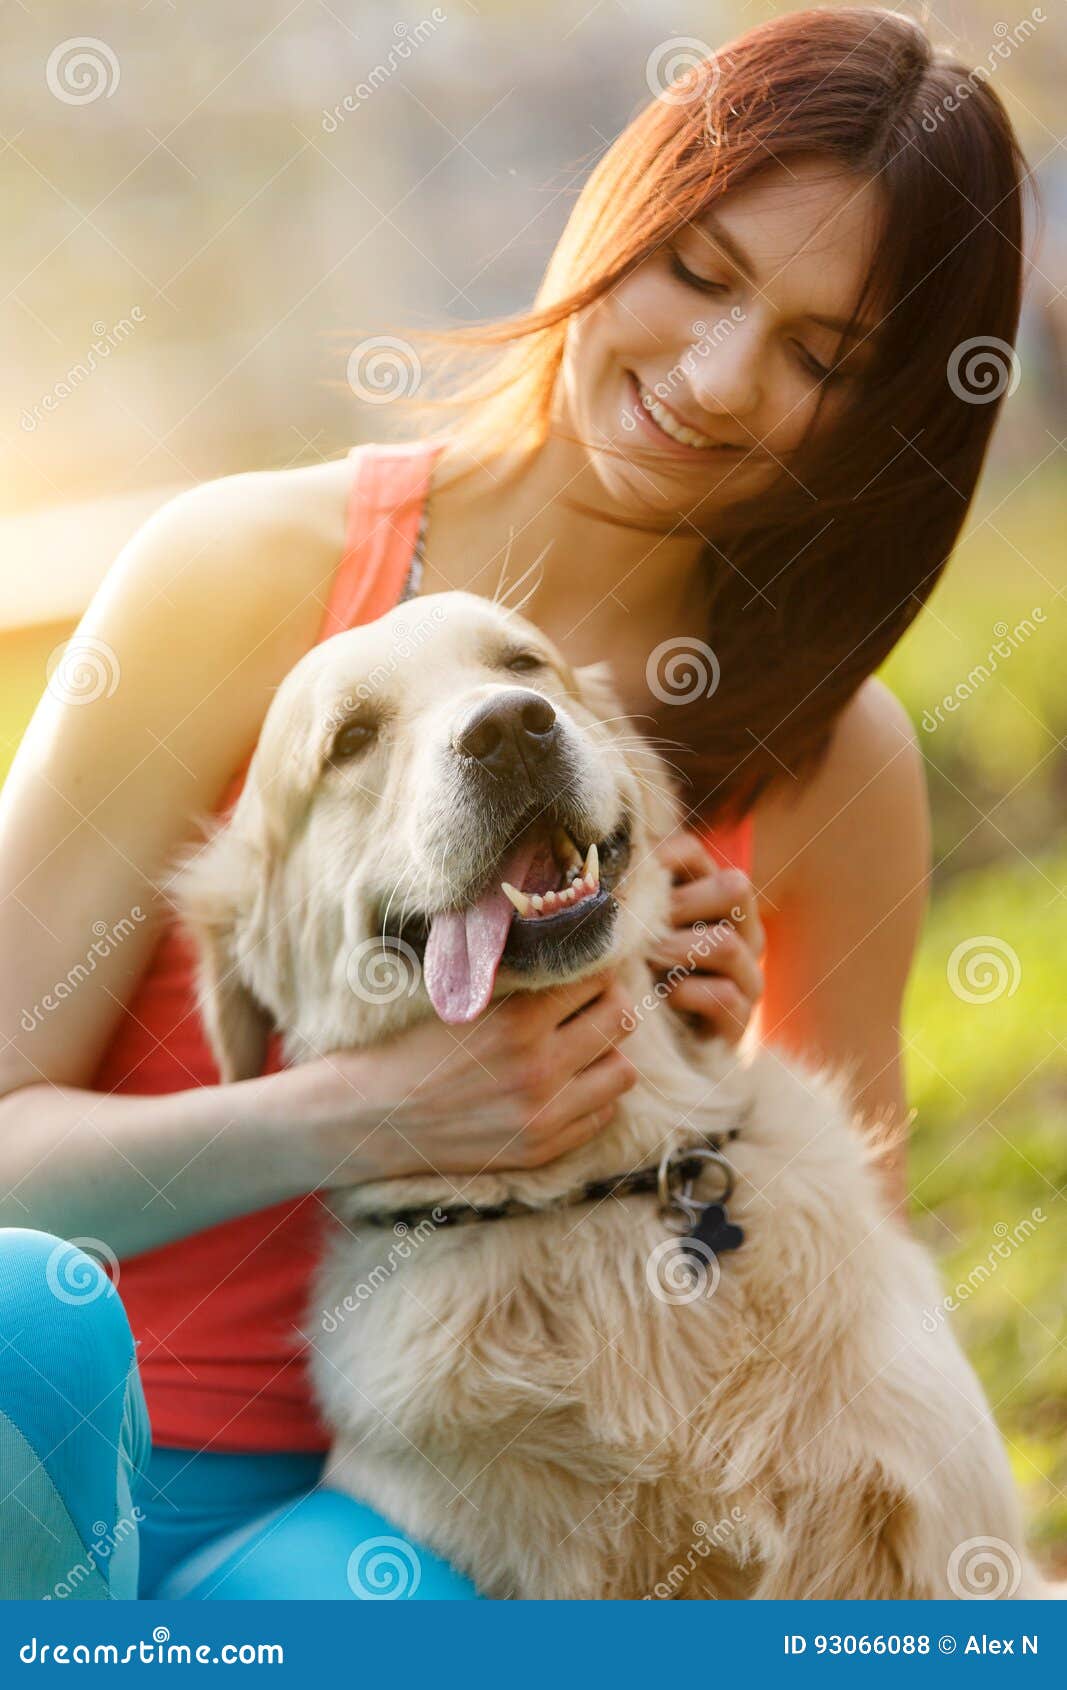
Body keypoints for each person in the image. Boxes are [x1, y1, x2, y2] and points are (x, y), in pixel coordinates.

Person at [0, 8, 1027, 1599]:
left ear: (887, 416)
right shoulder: (240, 574)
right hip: (61, 1475)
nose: (713, 376)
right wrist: (368, 1110)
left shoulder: (833, 757)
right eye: (698, 271)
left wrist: (715, 1086)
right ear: (620, 213)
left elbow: (847, 1326)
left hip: (438, 1538)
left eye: (820, 357)